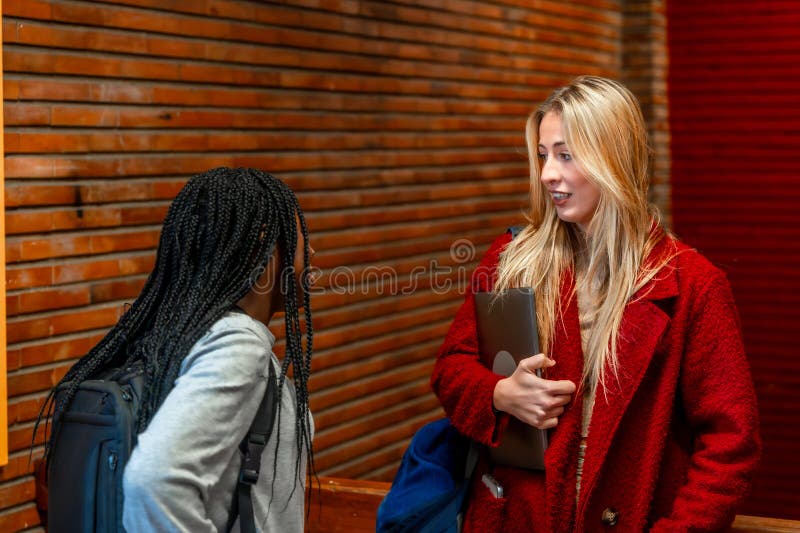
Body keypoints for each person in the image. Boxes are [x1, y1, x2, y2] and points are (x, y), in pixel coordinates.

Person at [431, 76, 760, 532]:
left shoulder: (693, 285)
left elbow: (729, 443)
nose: (547, 173)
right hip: (517, 517)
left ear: (614, 159)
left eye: (566, 155)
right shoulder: (511, 259)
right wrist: (499, 394)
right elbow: (451, 367)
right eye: (544, 155)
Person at [42, 167, 315, 532]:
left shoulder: (175, 336)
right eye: (300, 238)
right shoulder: (238, 343)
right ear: (264, 247)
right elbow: (156, 482)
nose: (311, 252)